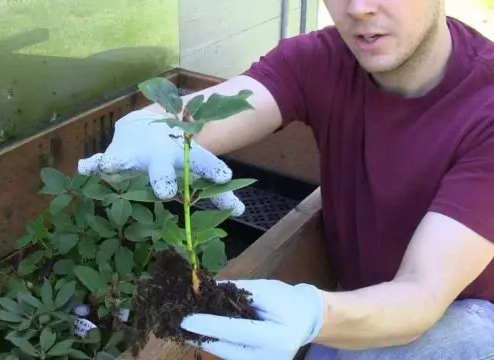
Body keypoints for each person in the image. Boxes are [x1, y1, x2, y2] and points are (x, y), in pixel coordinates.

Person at [78, 0, 494, 358]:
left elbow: (421, 295)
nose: (358, 9)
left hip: (467, 316)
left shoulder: (486, 106)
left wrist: (312, 314)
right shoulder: (323, 60)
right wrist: (150, 125)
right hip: (358, 300)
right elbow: (214, 110)